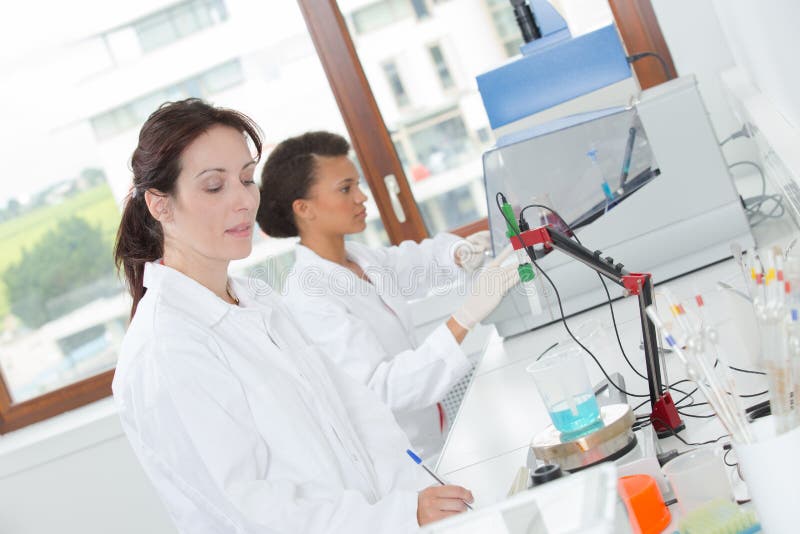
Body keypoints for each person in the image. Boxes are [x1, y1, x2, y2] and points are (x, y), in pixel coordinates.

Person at [112, 99, 474, 534]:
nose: (243, 200)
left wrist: (415, 497)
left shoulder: (256, 300)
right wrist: (396, 515)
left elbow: (355, 415)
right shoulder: (165, 348)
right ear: (160, 205)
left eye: (247, 179)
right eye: (214, 186)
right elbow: (251, 510)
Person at [257, 131, 519, 459]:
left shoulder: (360, 259)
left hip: (436, 438)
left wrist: (460, 252)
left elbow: (416, 262)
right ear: (304, 208)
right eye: (346, 189)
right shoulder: (310, 298)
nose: (362, 197)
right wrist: (464, 318)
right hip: (402, 461)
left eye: (358, 185)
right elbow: (384, 387)